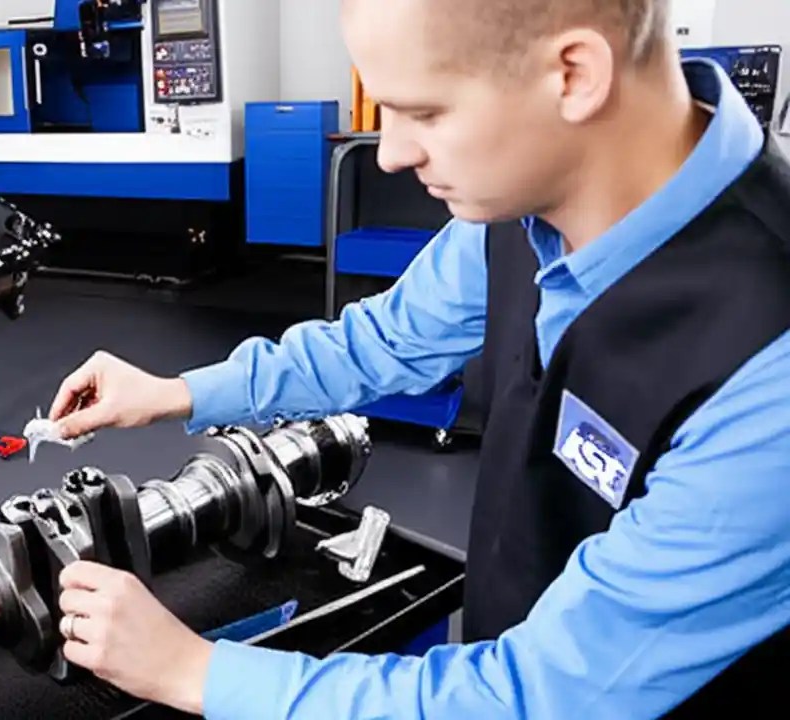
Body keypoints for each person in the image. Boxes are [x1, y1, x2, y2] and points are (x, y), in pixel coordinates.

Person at [43, 0, 790, 717]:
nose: (393, 153)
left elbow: (539, 697)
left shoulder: (767, 362)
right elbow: (383, 341)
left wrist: (192, 671)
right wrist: (175, 392)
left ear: (574, 75)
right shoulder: (524, 205)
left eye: (424, 112)